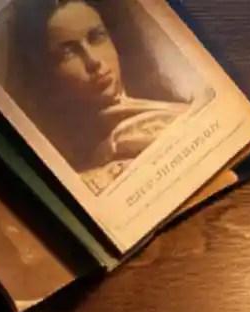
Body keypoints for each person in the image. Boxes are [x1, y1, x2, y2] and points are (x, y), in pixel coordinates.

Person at [25, 0, 190, 193]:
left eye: (96, 37)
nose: (93, 61)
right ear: (48, 74)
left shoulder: (174, 96)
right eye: (68, 53)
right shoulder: (90, 169)